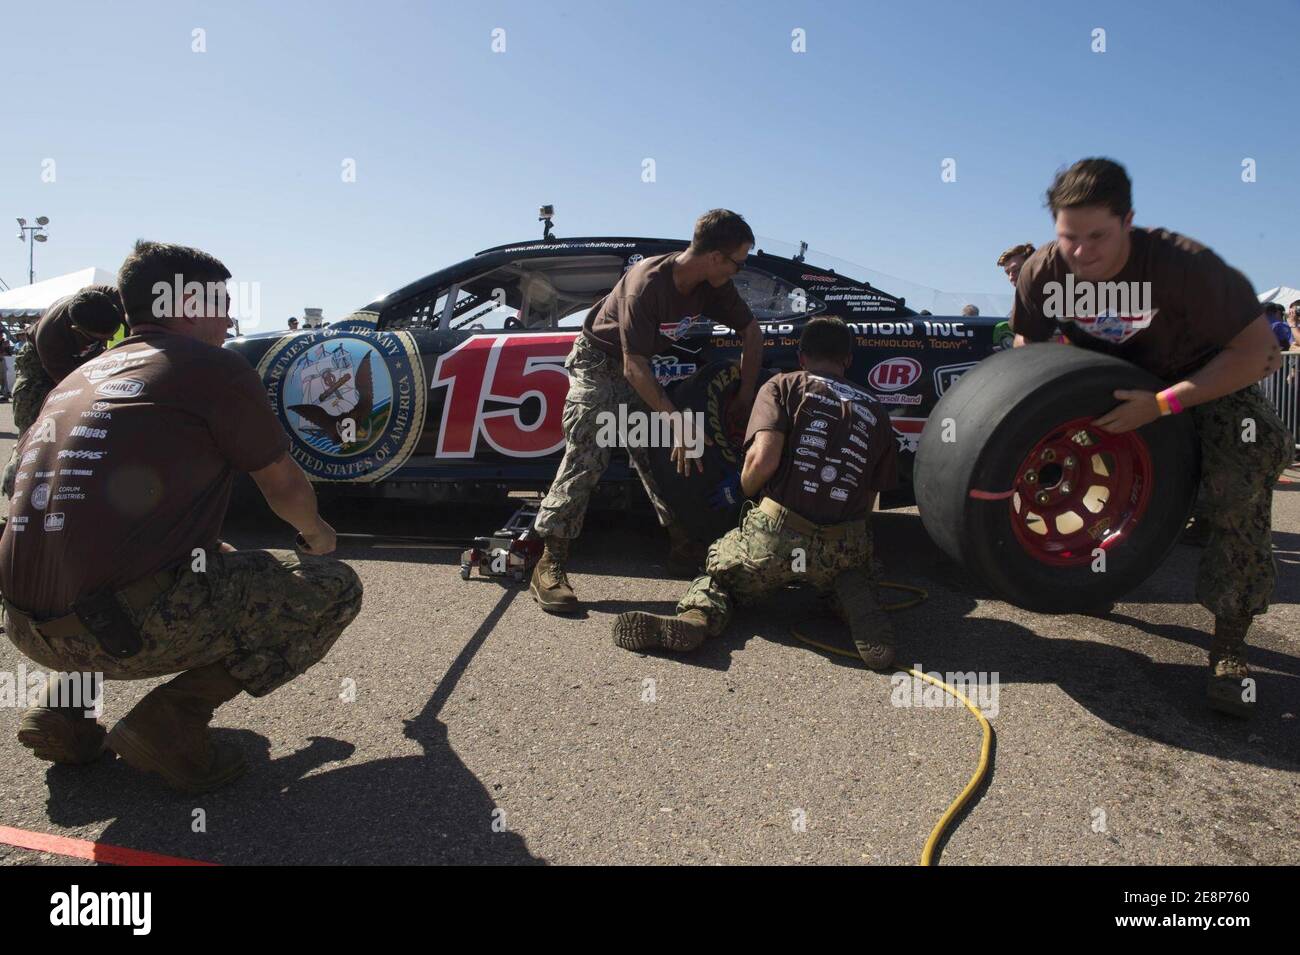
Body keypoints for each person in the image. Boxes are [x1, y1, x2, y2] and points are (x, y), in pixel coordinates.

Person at [0, 240, 363, 793]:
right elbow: (283, 484)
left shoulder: (81, 378)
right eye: (221, 302)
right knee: (333, 588)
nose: (230, 317)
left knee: (136, 568)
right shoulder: (211, 368)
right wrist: (316, 534)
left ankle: (67, 712)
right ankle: (170, 724)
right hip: (120, 632)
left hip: (26, 626)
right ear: (188, 302)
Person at [1010, 158, 1289, 718]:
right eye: (1069, 237)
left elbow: (1262, 354)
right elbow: (1026, 345)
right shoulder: (1043, 271)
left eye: (1098, 237)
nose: (1082, 253)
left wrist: (1164, 405)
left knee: (1243, 471)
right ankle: (1092, 577)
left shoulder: (1185, 266)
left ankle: (1230, 643)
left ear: (1129, 222)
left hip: (1202, 380)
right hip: (1105, 384)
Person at [611, 316, 901, 668]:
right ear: (849, 360)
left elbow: (762, 461)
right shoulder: (876, 411)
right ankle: (853, 596)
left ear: (801, 356)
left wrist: (737, 492)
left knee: (722, 576)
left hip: (777, 537)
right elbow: (870, 499)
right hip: (845, 542)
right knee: (848, 576)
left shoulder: (784, 385)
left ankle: (696, 619)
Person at [530, 209, 765, 613]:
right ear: (715, 257)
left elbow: (751, 331)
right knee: (588, 454)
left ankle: (681, 545)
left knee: (661, 458)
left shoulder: (713, 284)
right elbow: (631, 365)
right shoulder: (646, 284)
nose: (739, 271)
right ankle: (550, 561)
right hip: (600, 365)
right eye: (738, 262)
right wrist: (675, 422)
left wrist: (745, 395)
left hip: (638, 369)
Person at [2, 287, 124, 504]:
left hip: (85, 360)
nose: (111, 339)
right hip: (39, 368)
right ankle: (17, 498)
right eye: (103, 338)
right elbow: (68, 387)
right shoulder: (51, 337)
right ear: (77, 329)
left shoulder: (104, 297)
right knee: (34, 431)